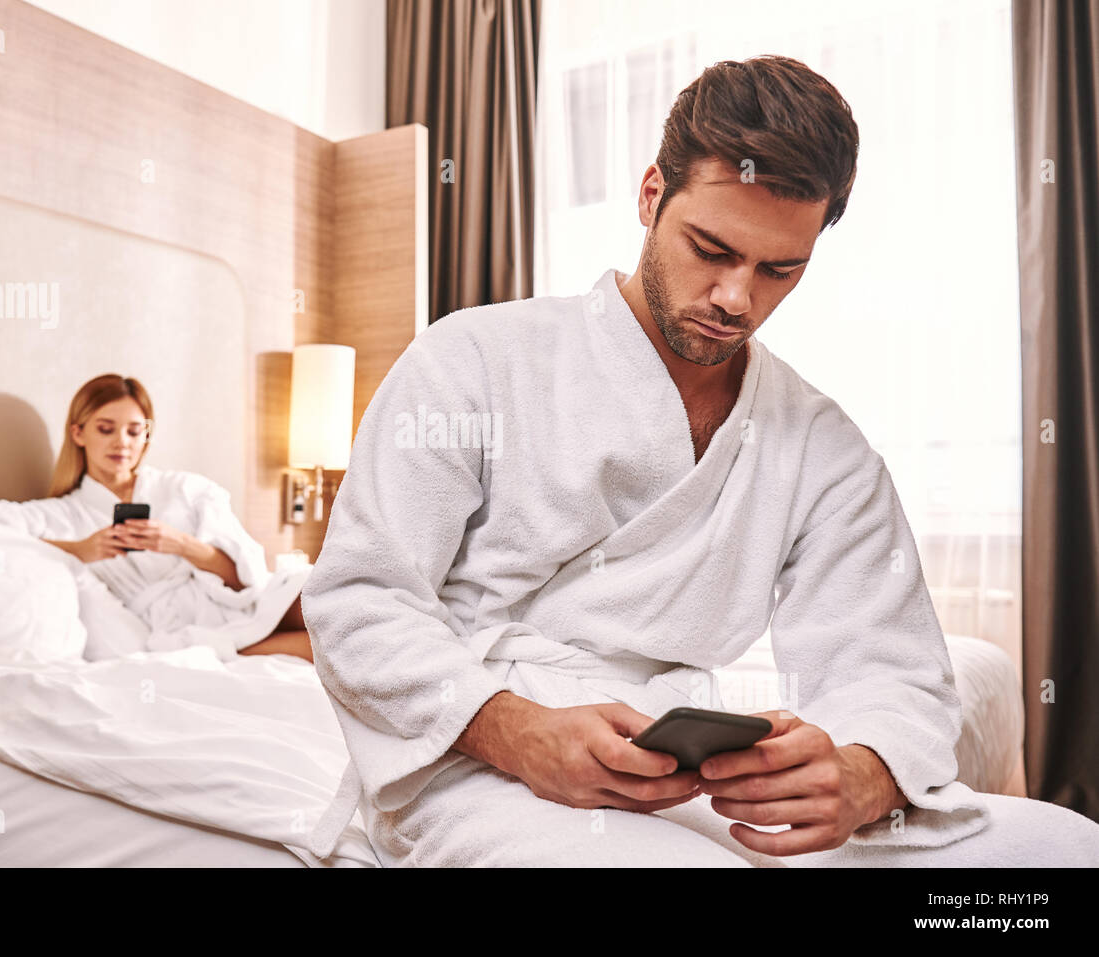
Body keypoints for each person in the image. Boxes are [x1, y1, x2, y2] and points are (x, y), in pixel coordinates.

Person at [299, 55, 1099, 866]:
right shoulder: (472, 358)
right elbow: (360, 598)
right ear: (652, 196)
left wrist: (861, 774)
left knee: (1063, 850)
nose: (736, 299)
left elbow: (889, 666)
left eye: (778, 269)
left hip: (691, 778)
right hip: (478, 765)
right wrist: (514, 727)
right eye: (711, 248)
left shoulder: (820, 443)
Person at [0, 374, 312, 663]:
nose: (122, 442)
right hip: (189, 631)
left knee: (340, 607)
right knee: (328, 650)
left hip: (245, 600)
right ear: (78, 433)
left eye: (134, 430)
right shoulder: (58, 515)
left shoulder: (186, 489)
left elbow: (245, 577)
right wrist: (79, 549)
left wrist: (182, 545)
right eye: (106, 428)